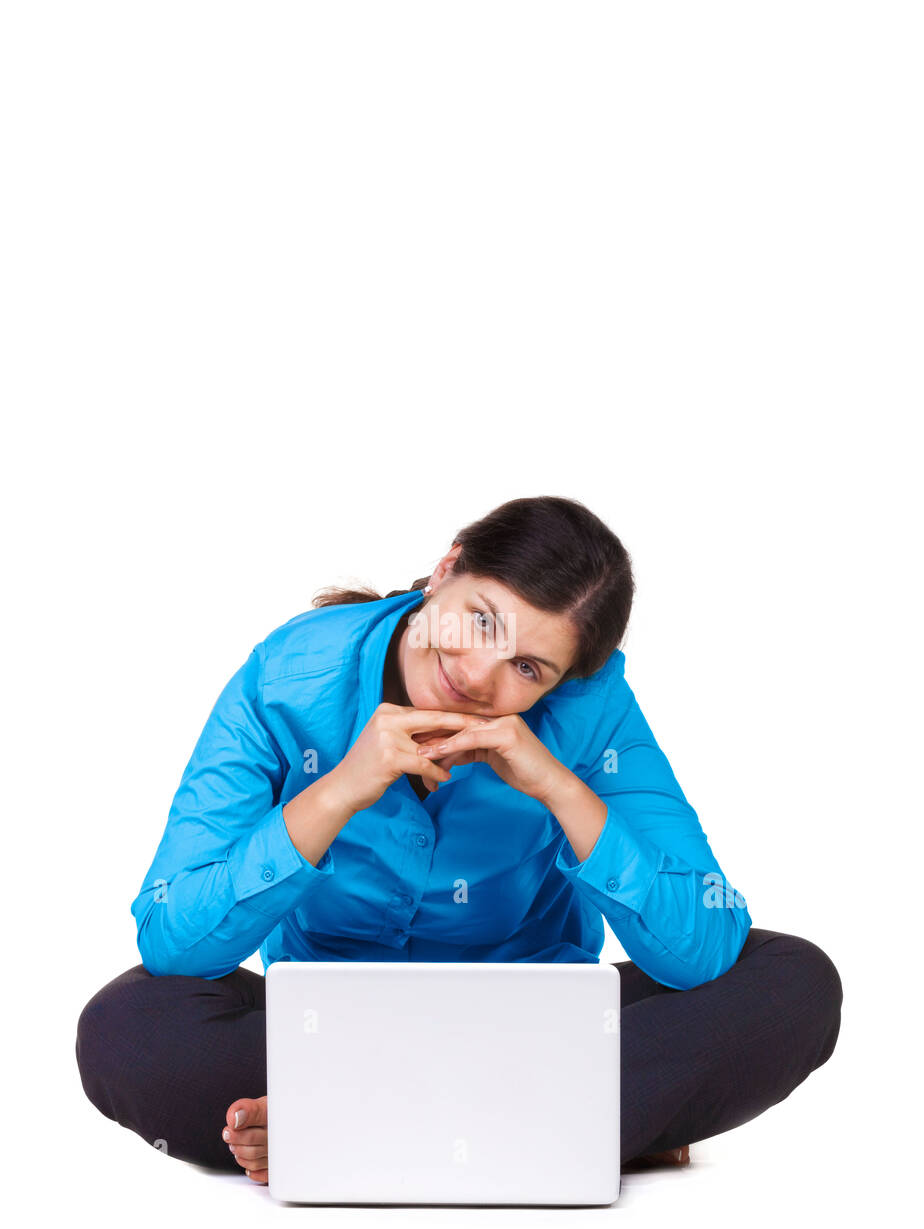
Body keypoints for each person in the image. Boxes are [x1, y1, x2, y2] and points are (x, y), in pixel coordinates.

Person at [75, 495, 842, 1187]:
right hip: (331, 1030)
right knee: (127, 1032)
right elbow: (175, 941)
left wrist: (556, 785)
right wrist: (339, 789)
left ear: (562, 681)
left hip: (534, 1025)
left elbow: (703, 945)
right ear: (444, 571)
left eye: (528, 667)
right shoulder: (288, 673)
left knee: (794, 984)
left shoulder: (591, 707)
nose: (478, 676)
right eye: (481, 620)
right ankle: (555, 1127)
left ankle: (345, 1128)